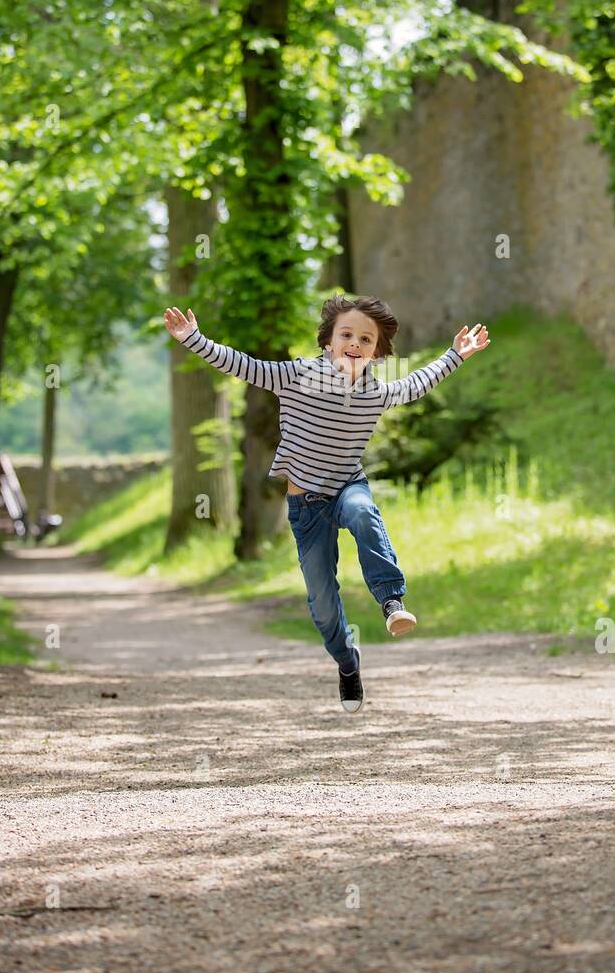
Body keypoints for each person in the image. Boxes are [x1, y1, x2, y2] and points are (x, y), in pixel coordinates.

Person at [163, 294, 490, 713]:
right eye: (347, 335)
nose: (355, 343)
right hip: (306, 506)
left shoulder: (375, 392)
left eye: (366, 339)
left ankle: (392, 602)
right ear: (328, 342)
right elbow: (244, 365)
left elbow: (415, 385)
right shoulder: (297, 376)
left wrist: (455, 355)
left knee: (361, 511)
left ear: (377, 351)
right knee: (321, 603)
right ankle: (347, 662)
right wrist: (193, 338)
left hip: (348, 486)